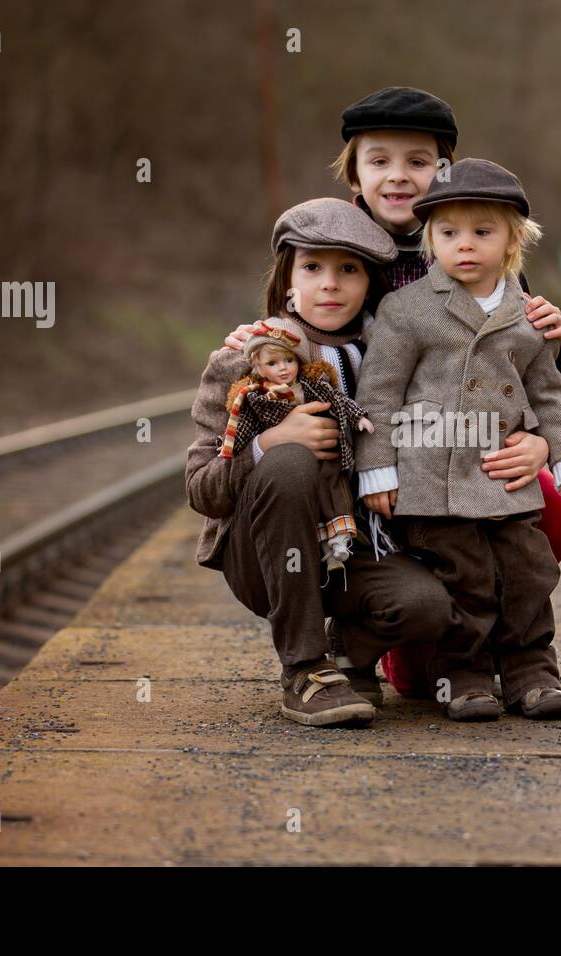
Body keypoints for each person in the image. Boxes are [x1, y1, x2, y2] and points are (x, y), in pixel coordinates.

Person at [221, 87, 561, 699]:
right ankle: (379, 642)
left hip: (451, 450)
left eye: (418, 162)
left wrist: (543, 434)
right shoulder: (335, 242)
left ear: (442, 170)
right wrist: (259, 343)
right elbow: (293, 316)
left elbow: (521, 365)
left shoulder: (471, 239)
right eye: (379, 161)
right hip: (363, 467)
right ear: (354, 174)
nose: (398, 176)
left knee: (551, 506)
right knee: (417, 591)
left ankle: (500, 643)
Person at [186, 197, 467, 727]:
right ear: (287, 279)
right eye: (312, 267)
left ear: (370, 284)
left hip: (354, 549)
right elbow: (202, 490)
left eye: (349, 270)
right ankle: (304, 667)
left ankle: (346, 651)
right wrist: (267, 445)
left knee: (426, 607)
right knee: (291, 460)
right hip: (263, 557)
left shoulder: (390, 358)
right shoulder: (243, 361)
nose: (330, 284)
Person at [355, 158, 561, 721]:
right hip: (432, 480)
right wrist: (377, 470)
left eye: (482, 233)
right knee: (464, 579)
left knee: (528, 570)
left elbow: (548, 394)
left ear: (513, 241)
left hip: (502, 475)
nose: (464, 246)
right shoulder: (406, 310)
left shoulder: (526, 314)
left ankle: (531, 671)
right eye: (447, 233)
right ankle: (463, 676)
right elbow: (380, 395)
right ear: (430, 240)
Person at [222, 317, 373, 573]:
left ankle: (339, 539)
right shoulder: (255, 397)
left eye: (289, 360)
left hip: (325, 456)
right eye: (272, 363)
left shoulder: (311, 386)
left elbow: (336, 400)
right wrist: (237, 445)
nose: (283, 369)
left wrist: (358, 416)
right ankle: (316, 547)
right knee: (300, 484)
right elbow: (242, 426)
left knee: (333, 483)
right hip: (285, 466)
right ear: (258, 367)